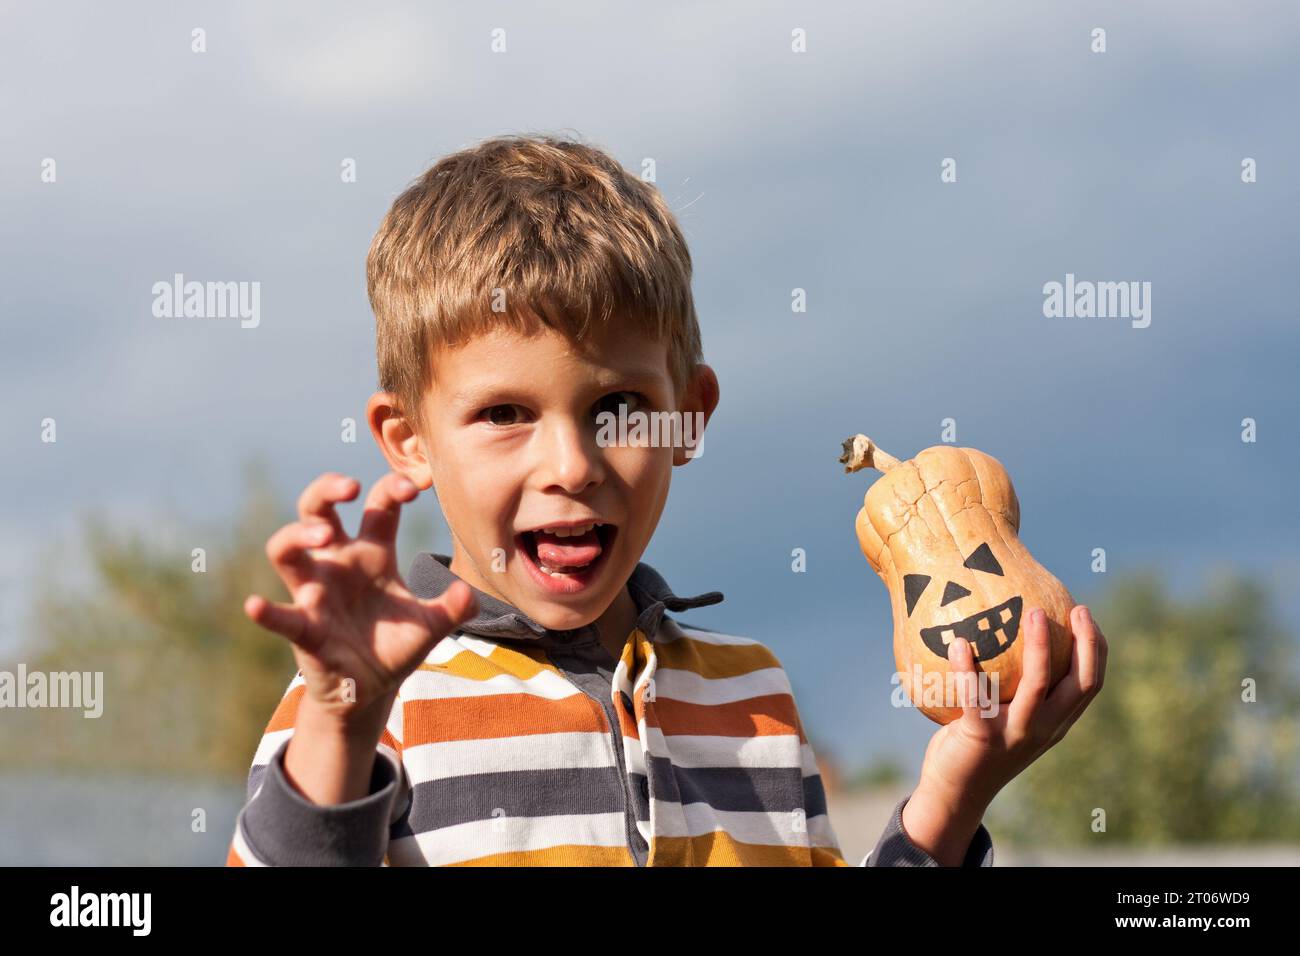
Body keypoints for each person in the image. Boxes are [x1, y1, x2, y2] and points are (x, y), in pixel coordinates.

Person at [225, 134, 1107, 867]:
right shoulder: (373, 702)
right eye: (504, 414)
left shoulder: (755, 697)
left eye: (619, 410)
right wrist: (342, 721)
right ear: (409, 440)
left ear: (689, 420)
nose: (572, 464)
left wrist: (950, 803)